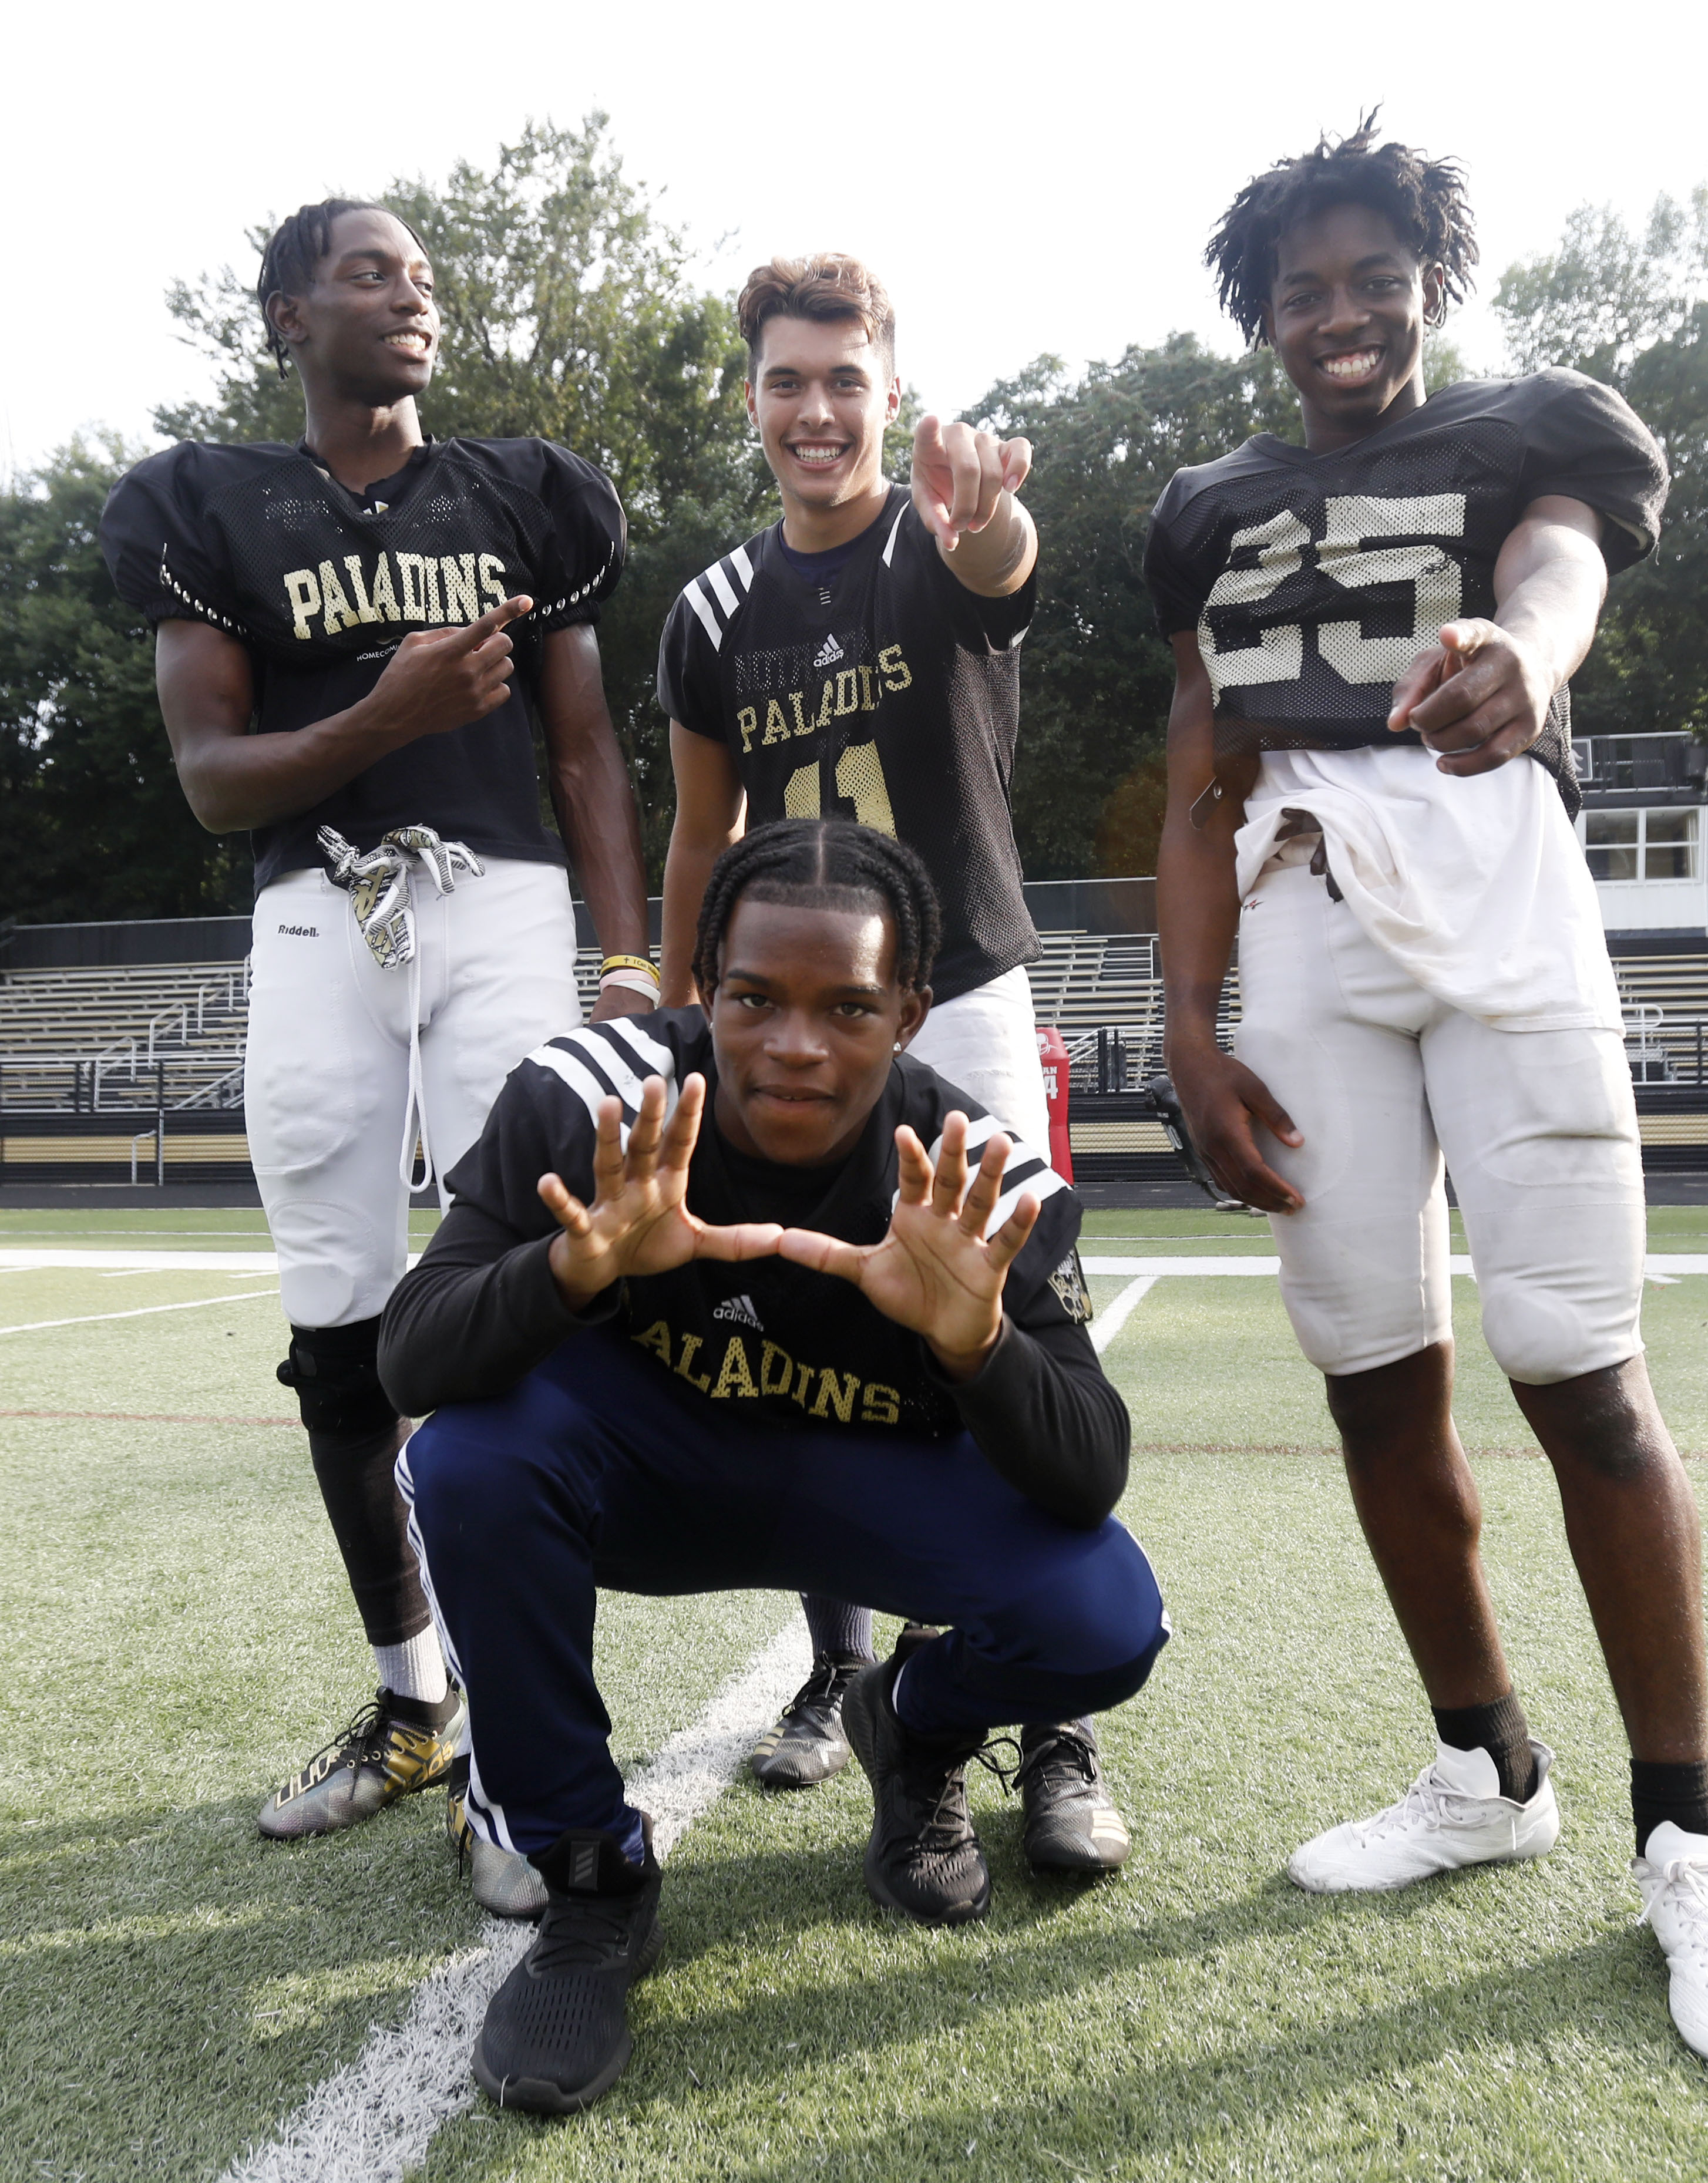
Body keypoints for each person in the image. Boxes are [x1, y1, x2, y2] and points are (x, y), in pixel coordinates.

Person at [1146, 120, 1708, 2071]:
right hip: (1299, 908)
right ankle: (1481, 1762)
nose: (1337, 310)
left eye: (1371, 275)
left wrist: (1524, 655)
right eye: (1301, 286)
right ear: (1260, 313)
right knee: (1370, 1360)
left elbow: (1556, 554)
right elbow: (1197, 749)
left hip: (1494, 880)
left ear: (1429, 281)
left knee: (1576, 1361)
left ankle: (1683, 1828)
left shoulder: (1526, 430)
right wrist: (1186, 1022)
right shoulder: (1209, 498)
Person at [379, 819, 1166, 2114]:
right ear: (702, 984)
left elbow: (1088, 1469)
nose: (795, 1043)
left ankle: (912, 1722)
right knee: (467, 1458)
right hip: (647, 1474)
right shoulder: (593, 1097)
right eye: (754, 997)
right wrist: (573, 1267)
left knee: (1103, 1614)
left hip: (872, 1485)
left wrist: (973, 1339)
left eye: (848, 1006)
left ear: (911, 1012)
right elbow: (412, 1357)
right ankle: (591, 1879)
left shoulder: (971, 1167)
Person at [99, 199, 655, 1844]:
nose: (410, 297)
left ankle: (527, 1740)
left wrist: (627, 961)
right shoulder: (209, 501)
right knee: (339, 1317)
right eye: (369, 273)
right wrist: (385, 707)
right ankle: (417, 1694)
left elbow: (587, 749)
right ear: (287, 314)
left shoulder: (520, 492)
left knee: (518, 1292)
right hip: (314, 903)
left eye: (422, 275)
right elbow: (212, 779)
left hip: (498, 898)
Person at [653, 253, 1128, 1873]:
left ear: (890, 387)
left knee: (997, 1332)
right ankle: (850, 1672)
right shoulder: (712, 608)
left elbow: (1001, 554)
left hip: (956, 997)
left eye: (845, 377)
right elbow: (701, 826)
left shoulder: (935, 543)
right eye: (787, 378)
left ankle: (1049, 1716)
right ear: (753, 397)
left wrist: (983, 505)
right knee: (817, 1310)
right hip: (784, 1015)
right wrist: (673, 1002)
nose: (815, 408)